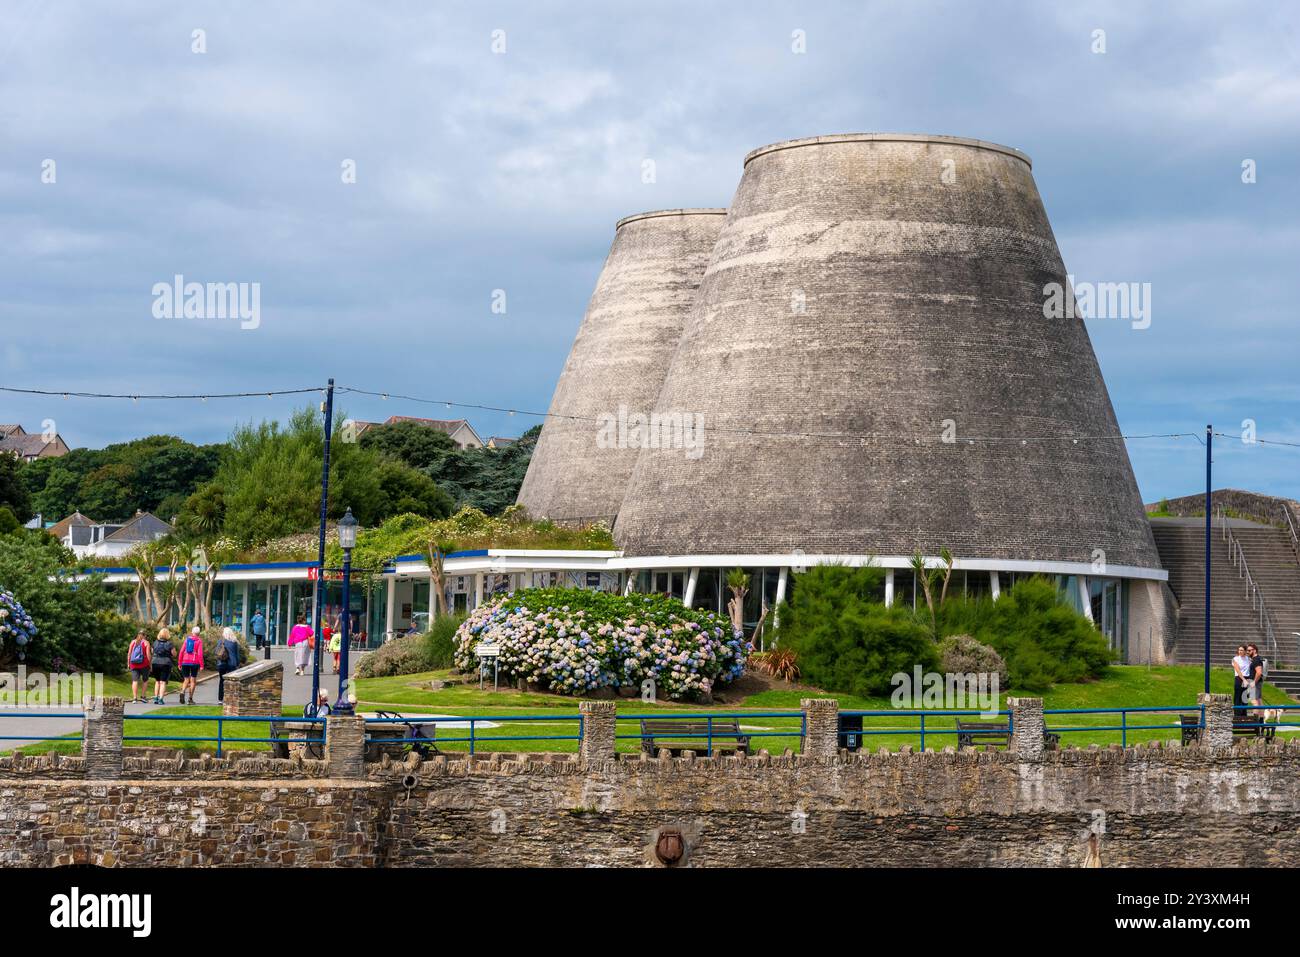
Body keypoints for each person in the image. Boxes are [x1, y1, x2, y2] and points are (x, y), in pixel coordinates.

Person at [177, 625, 205, 705]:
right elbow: (200, 654)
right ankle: (190, 699)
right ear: (199, 633)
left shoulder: (187, 640)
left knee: (186, 679)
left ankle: (182, 691)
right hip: (194, 662)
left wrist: (179, 663)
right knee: (193, 680)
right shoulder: (199, 641)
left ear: (192, 632)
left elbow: (182, 651)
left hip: (185, 662)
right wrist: (202, 665)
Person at [215, 626, 243, 702]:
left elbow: (216, 652)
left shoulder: (221, 641)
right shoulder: (234, 642)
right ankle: (230, 698)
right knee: (232, 681)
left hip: (222, 663)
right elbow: (237, 654)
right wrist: (237, 664)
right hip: (232, 664)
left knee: (221, 681)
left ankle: (220, 699)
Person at [126, 630, 152, 704]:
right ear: (145, 635)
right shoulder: (146, 643)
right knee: (145, 680)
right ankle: (143, 697)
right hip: (144, 664)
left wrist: (128, 663)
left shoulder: (133, 642)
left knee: (135, 681)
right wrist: (150, 664)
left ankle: (134, 698)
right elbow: (148, 655)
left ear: (138, 634)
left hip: (134, 664)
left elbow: (129, 653)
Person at [150, 628, 175, 704]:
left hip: (155, 662)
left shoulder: (155, 642)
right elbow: (174, 654)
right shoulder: (169, 644)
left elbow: (152, 651)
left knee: (157, 681)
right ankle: (161, 699)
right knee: (163, 682)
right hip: (165, 663)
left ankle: (156, 698)